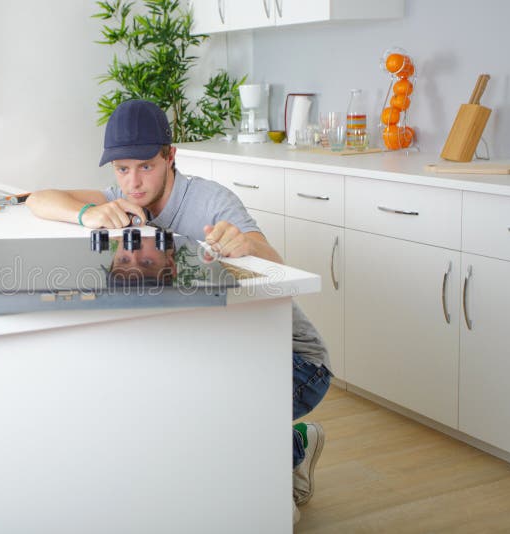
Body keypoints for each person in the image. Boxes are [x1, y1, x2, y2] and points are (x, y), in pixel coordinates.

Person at [26, 99, 331, 522]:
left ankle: (283, 464)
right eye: (121, 169)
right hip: (224, 350)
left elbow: (273, 260)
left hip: (294, 362)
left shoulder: (210, 202)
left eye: (145, 166)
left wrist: (247, 245)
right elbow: (37, 200)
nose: (132, 182)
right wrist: (88, 212)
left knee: (200, 415)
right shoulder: (121, 200)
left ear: (170, 156)